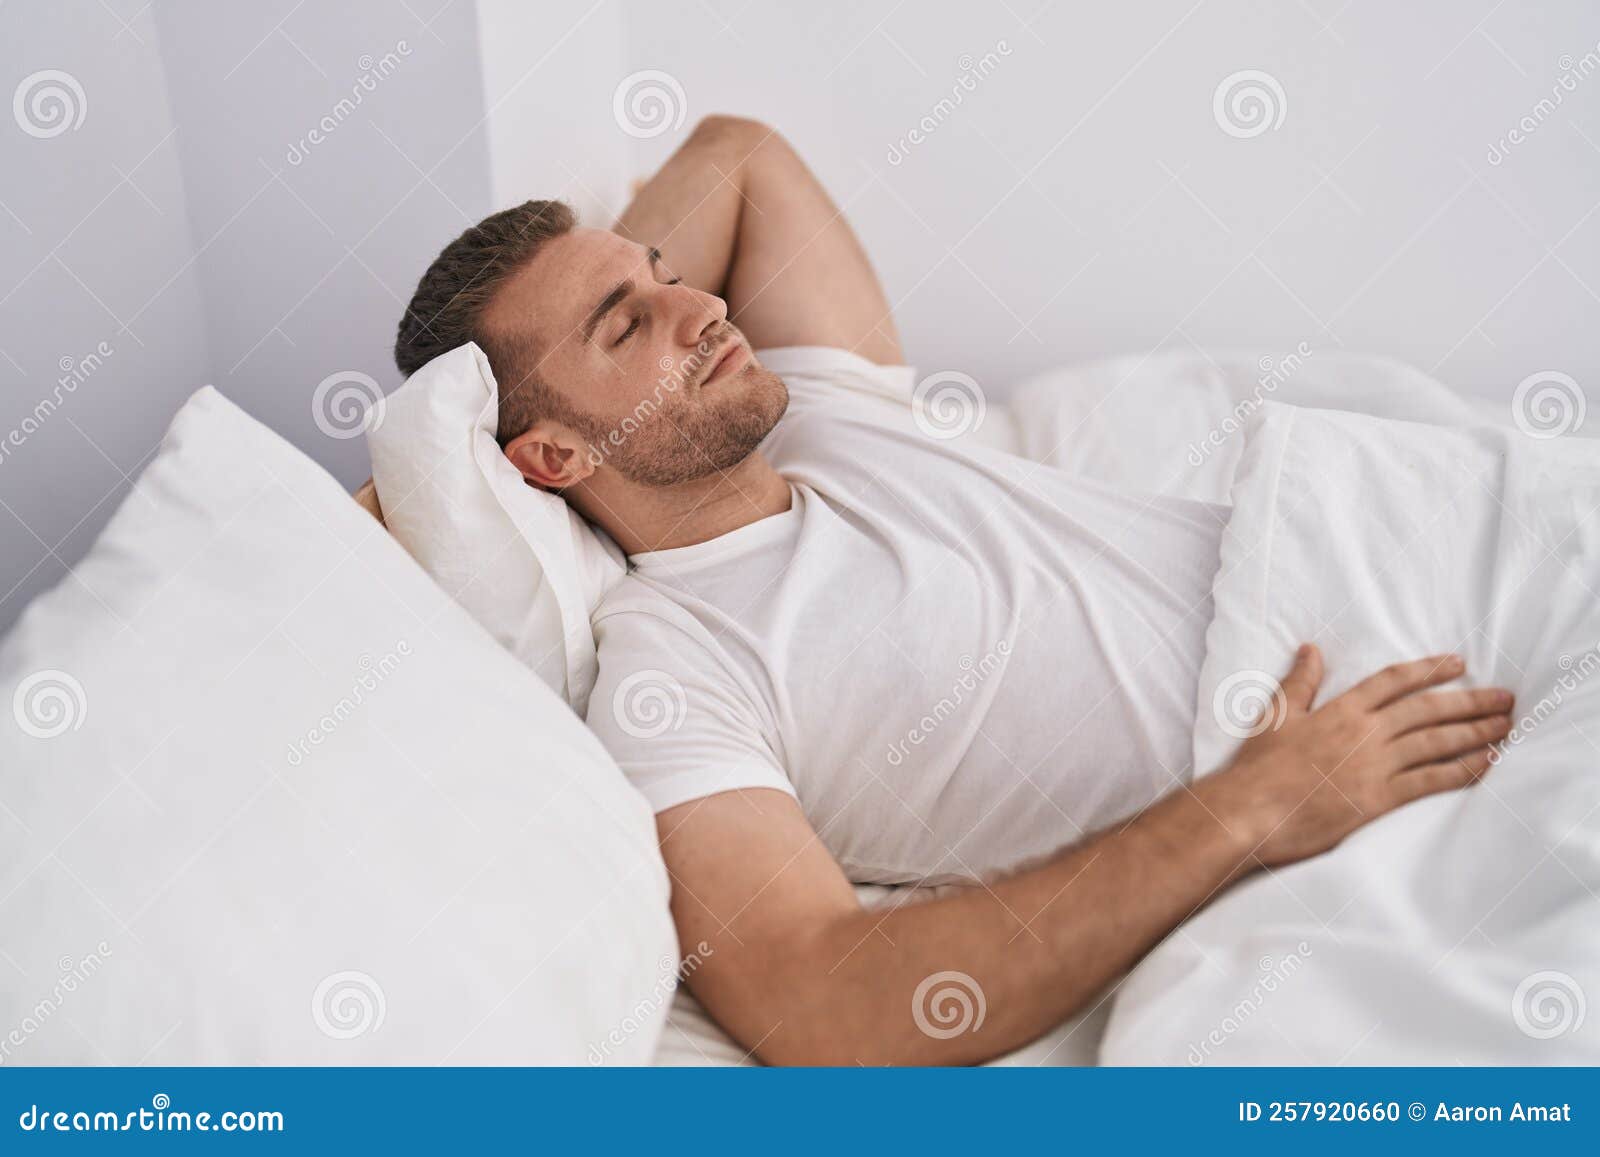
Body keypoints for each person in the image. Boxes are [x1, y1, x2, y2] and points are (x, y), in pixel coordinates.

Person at [394, 115, 1515, 1065]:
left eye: (667, 274)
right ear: (547, 461)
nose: (703, 314)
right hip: (1376, 742)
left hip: (1425, 547)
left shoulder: (825, 416)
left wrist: (607, 299)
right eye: (627, 325)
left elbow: (741, 156)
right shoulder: (675, 672)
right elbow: (812, 995)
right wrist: (1247, 806)